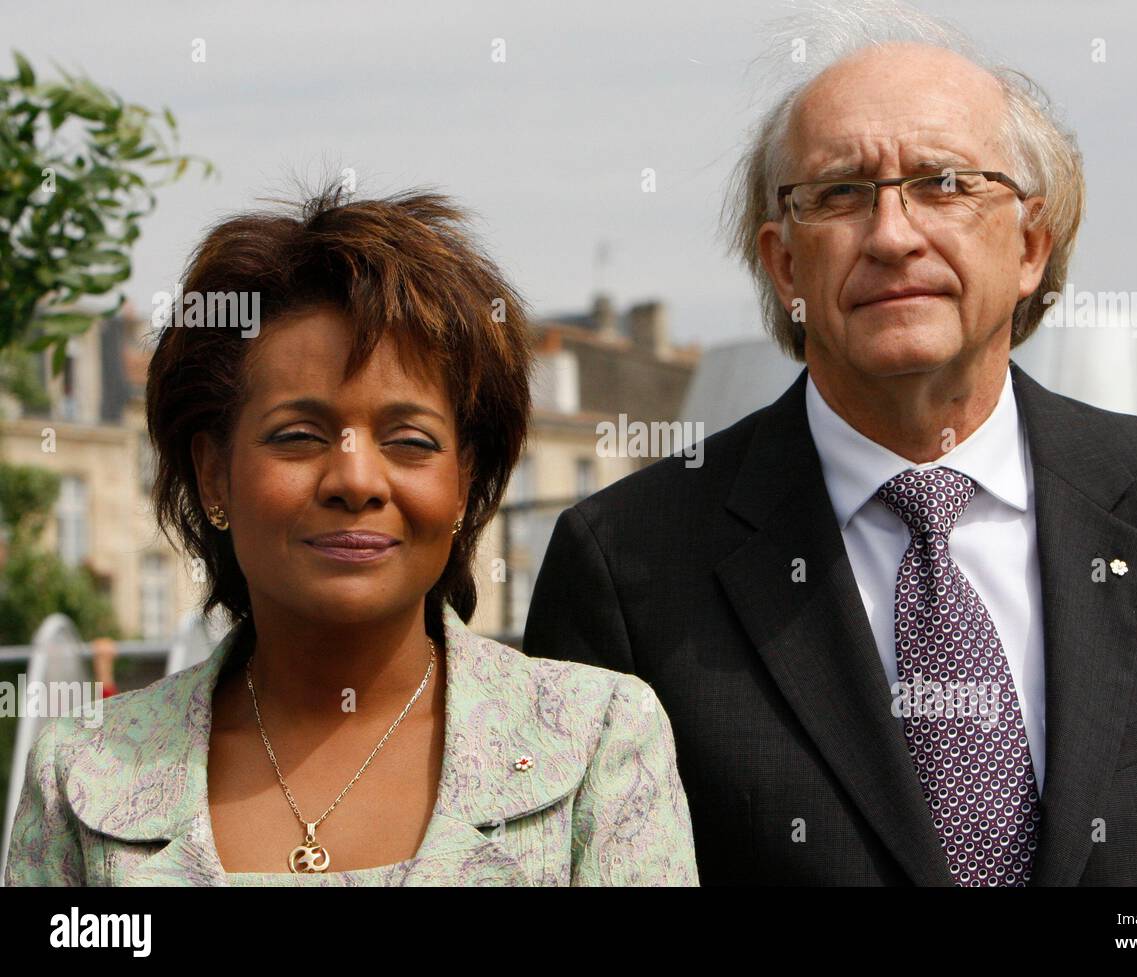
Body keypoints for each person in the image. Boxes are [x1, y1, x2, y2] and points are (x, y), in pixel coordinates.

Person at [524, 3, 1137, 885]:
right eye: (841, 193)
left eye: (945, 183)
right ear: (784, 265)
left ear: (1032, 244)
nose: (893, 235)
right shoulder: (629, 565)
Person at [5, 185, 697, 886]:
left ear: (464, 481)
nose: (356, 478)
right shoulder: (85, 774)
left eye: (409, 439)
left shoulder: (595, 744)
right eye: (298, 436)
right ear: (214, 476)